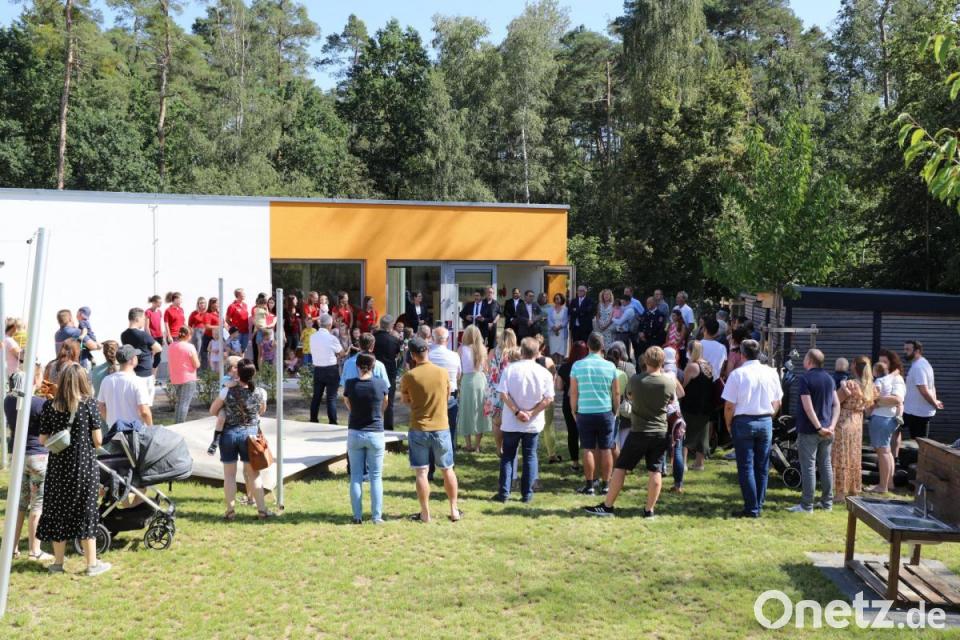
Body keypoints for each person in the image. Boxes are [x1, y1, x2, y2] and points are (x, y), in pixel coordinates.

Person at [583, 346, 676, 518]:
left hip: (639, 430)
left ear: (645, 361)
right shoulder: (669, 381)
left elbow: (630, 396)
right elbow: (673, 398)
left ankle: (608, 506)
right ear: (662, 362)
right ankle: (649, 510)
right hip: (660, 431)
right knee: (655, 470)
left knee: (621, 468)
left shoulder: (636, 380)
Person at [37, 363, 111, 576]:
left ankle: (58, 564)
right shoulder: (88, 405)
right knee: (85, 512)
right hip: (83, 466)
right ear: (82, 381)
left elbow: (42, 439)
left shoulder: (50, 406)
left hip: (58, 467)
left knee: (58, 511)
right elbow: (98, 440)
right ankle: (91, 565)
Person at [401, 337, 461, 523]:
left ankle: (425, 513)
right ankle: (454, 509)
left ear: (412, 355)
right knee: (447, 469)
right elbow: (447, 395)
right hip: (441, 426)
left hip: (419, 427)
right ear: (427, 351)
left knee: (421, 472)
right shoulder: (442, 373)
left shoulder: (409, 376)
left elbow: (405, 400)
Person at [721, 339, 783, 518]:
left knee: (746, 466)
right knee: (761, 466)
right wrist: (769, 416)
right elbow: (777, 401)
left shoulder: (737, 374)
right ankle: (758, 503)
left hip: (743, 421)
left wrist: (728, 424)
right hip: (764, 420)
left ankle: (752, 506)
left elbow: (729, 406)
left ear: (742, 354)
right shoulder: (771, 373)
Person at [208, 360, 275, 520]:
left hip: (229, 433)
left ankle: (230, 511)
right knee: (254, 475)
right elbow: (261, 411)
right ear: (253, 374)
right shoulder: (260, 392)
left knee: (229, 476)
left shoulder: (226, 391)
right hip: (250, 435)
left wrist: (225, 413)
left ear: (237, 373)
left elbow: (212, 410)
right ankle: (262, 511)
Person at [493, 337, 555, 503]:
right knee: (529, 456)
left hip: (513, 421)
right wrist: (531, 413)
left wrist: (517, 412)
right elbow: (549, 399)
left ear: (521, 352)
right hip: (532, 423)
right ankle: (526, 494)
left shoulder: (510, 369)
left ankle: (504, 493)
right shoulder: (544, 373)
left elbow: (503, 394)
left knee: (508, 456)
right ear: (537, 352)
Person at [4, 368, 53, 562]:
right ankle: (35, 549)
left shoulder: (8, 401)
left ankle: (12, 547)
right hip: (38, 456)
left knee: (20, 504)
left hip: (18, 456)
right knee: (37, 504)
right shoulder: (40, 403)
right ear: (33, 380)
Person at [788, 349, 840, 514]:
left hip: (811, 430)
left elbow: (807, 406)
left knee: (809, 466)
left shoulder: (805, 378)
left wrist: (819, 427)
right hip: (828, 430)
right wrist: (831, 426)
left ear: (809, 361)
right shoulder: (829, 378)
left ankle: (807, 505)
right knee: (825, 465)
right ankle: (827, 504)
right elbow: (836, 404)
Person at [570, 332, 620, 496]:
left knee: (588, 449)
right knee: (606, 449)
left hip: (585, 411)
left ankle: (590, 485)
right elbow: (616, 392)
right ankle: (606, 485)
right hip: (605, 411)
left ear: (588, 346)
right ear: (602, 346)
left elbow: (574, 392)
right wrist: (616, 410)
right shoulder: (610, 366)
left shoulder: (577, 366)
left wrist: (573, 410)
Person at [344, 353, 389, 524]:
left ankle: (357, 516)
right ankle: (376, 516)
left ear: (357, 366)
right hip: (375, 432)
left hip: (355, 431)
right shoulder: (381, 384)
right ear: (374, 366)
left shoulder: (350, 384)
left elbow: (347, 402)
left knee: (356, 476)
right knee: (376, 476)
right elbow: (385, 403)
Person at [833, 356, 873, 501]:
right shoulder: (869, 386)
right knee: (854, 456)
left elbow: (835, 400)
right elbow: (869, 409)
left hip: (844, 421)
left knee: (841, 456)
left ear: (855, 366)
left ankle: (839, 493)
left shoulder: (850, 384)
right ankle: (853, 489)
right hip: (857, 422)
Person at [428, 326, 461, 477]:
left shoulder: (428, 355)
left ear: (433, 339)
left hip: (431, 397)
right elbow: (459, 375)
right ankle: (449, 466)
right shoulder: (454, 356)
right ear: (447, 340)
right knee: (450, 432)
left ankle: (430, 469)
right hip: (450, 396)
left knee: (430, 432)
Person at [867, 359, 904, 494]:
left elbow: (872, 398)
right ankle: (889, 483)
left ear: (875, 372)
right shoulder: (892, 380)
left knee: (882, 453)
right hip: (890, 418)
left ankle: (882, 486)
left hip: (882, 419)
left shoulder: (879, 382)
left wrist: (873, 403)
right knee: (887, 452)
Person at [97, 344, 153, 428]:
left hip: (115, 432)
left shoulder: (106, 380)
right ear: (132, 360)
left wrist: (110, 422)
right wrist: (151, 427)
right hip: (134, 432)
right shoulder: (138, 381)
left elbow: (100, 407)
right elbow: (144, 411)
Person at [681, 340, 714, 472]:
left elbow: (684, 384)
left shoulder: (692, 366)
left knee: (685, 434)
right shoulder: (708, 365)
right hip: (706, 405)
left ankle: (682, 463)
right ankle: (699, 463)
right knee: (702, 435)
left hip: (691, 405)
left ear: (690, 351)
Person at [457, 325, 491, 452]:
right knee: (480, 410)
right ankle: (477, 445)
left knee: (466, 410)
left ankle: (468, 444)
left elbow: (459, 368)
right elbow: (486, 368)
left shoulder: (461, 349)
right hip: (481, 380)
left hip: (467, 380)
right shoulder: (482, 349)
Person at [556, 340, 588, 472]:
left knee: (572, 433)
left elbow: (558, 387)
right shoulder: (586, 367)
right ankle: (590, 462)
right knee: (587, 434)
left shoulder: (564, 367)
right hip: (586, 401)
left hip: (568, 402)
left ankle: (575, 463)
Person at [902, 340, 942, 442]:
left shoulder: (918, 367)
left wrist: (934, 403)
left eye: (908, 349)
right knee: (898, 430)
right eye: (904, 349)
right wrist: (935, 400)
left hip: (918, 412)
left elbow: (923, 389)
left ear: (917, 351)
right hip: (913, 410)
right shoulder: (922, 363)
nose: (905, 352)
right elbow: (931, 386)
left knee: (919, 443)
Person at [121, 307, 162, 405]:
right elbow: (159, 348)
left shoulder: (123, 335)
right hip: (145, 373)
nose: (144, 322)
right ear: (137, 319)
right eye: (143, 319)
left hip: (132, 372)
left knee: (134, 404)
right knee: (145, 405)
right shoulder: (143, 335)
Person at [309, 314, 343, 424]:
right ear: (329, 325)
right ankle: (332, 421)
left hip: (318, 369)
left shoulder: (312, 337)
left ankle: (313, 419)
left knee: (316, 396)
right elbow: (341, 353)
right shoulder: (332, 338)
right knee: (331, 398)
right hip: (331, 369)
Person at [372, 316, 402, 430]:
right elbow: (398, 356)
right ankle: (388, 428)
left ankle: (374, 425)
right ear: (390, 326)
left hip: (374, 372)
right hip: (389, 373)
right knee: (389, 403)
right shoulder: (394, 340)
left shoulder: (373, 338)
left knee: (374, 400)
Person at [168, 326, 200, 423]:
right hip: (188, 378)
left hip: (175, 378)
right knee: (184, 404)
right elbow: (196, 364)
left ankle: (177, 423)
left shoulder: (171, 346)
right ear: (188, 335)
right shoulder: (190, 347)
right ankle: (180, 424)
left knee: (179, 403)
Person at [144, 295, 165, 377]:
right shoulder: (148, 312)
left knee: (158, 358)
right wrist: (150, 339)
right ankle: (148, 376)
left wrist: (162, 337)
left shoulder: (159, 312)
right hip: (152, 338)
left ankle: (154, 377)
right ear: (154, 302)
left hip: (159, 337)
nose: (160, 304)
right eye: (159, 302)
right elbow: (146, 327)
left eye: (161, 302)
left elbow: (160, 325)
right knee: (149, 357)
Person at [226, 289, 251, 356]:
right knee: (236, 350)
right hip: (237, 333)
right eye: (242, 294)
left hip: (245, 331)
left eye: (244, 294)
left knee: (243, 350)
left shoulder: (245, 305)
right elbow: (227, 319)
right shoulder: (232, 306)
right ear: (238, 295)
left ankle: (242, 364)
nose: (244, 295)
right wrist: (233, 327)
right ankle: (235, 364)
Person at [546, 293, 569, 362]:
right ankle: (555, 365)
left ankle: (560, 365)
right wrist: (553, 327)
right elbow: (549, 319)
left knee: (561, 350)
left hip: (562, 332)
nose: (556, 300)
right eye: (555, 298)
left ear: (561, 299)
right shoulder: (550, 309)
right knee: (553, 350)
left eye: (558, 298)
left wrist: (559, 327)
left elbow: (566, 320)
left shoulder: (565, 309)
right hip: (553, 332)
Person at [200, 297, 221, 371]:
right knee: (206, 355)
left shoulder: (219, 313)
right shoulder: (207, 314)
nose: (218, 304)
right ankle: (205, 372)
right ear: (212, 304)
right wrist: (219, 327)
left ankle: (216, 371)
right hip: (208, 338)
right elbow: (207, 326)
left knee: (218, 354)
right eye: (217, 303)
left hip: (218, 338)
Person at [188, 297, 209, 368]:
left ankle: (205, 371)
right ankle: (196, 370)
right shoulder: (194, 313)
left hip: (206, 333)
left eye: (203, 303)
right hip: (197, 334)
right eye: (200, 303)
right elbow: (190, 325)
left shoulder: (208, 313)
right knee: (198, 352)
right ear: (198, 304)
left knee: (205, 352)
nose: (202, 304)